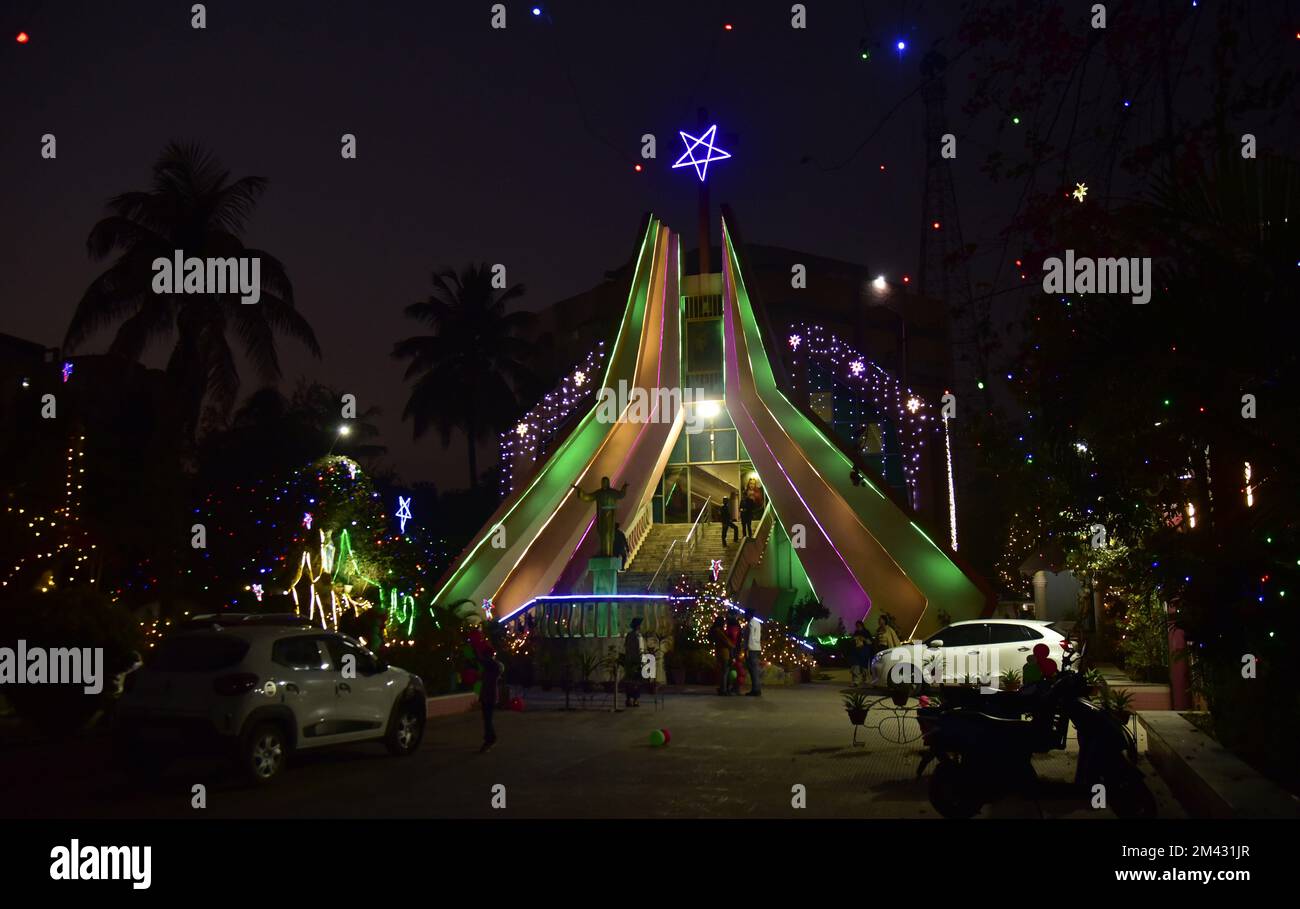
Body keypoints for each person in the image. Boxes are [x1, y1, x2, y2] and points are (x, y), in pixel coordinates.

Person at [465, 616, 502, 753]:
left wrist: (475, 648)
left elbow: (481, 661)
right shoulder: (492, 666)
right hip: (488, 695)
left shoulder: (491, 665)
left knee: (487, 719)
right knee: (486, 718)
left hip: (489, 696)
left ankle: (490, 738)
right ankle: (489, 737)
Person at [623, 617, 645, 707]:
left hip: (630, 661)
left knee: (630, 681)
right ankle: (634, 699)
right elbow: (639, 649)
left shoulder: (630, 635)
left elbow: (626, 647)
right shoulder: (637, 636)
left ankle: (629, 699)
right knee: (636, 681)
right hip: (635, 661)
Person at [710, 615, 731, 695]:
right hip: (724, 653)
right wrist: (733, 646)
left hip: (719, 652)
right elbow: (726, 641)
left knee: (722, 671)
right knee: (725, 671)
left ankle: (722, 688)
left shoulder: (715, 630)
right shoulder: (719, 631)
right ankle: (723, 689)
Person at [744, 609, 763, 696]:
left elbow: (751, 637)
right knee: (755, 669)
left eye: (745, 615)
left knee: (753, 670)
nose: (744, 616)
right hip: (757, 647)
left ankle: (755, 689)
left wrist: (747, 649)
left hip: (752, 649)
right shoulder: (757, 623)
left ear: (749, 615)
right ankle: (757, 688)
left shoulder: (751, 624)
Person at [724, 611, 743, 694]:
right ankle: (735, 688)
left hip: (732, 649)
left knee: (730, 668)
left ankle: (730, 687)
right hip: (736, 649)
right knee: (737, 669)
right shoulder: (736, 624)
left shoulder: (731, 625)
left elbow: (733, 637)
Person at [850, 620, 872, 687]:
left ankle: (865, 681)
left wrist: (864, 639)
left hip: (864, 651)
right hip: (857, 651)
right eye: (857, 626)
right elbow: (853, 641)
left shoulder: (866, 632)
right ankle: (855, 681)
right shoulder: (856, 632)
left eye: (859, 626)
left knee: (864, 667)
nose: (858, 627)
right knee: (855, 666)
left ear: (862, 625)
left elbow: (870, 642)